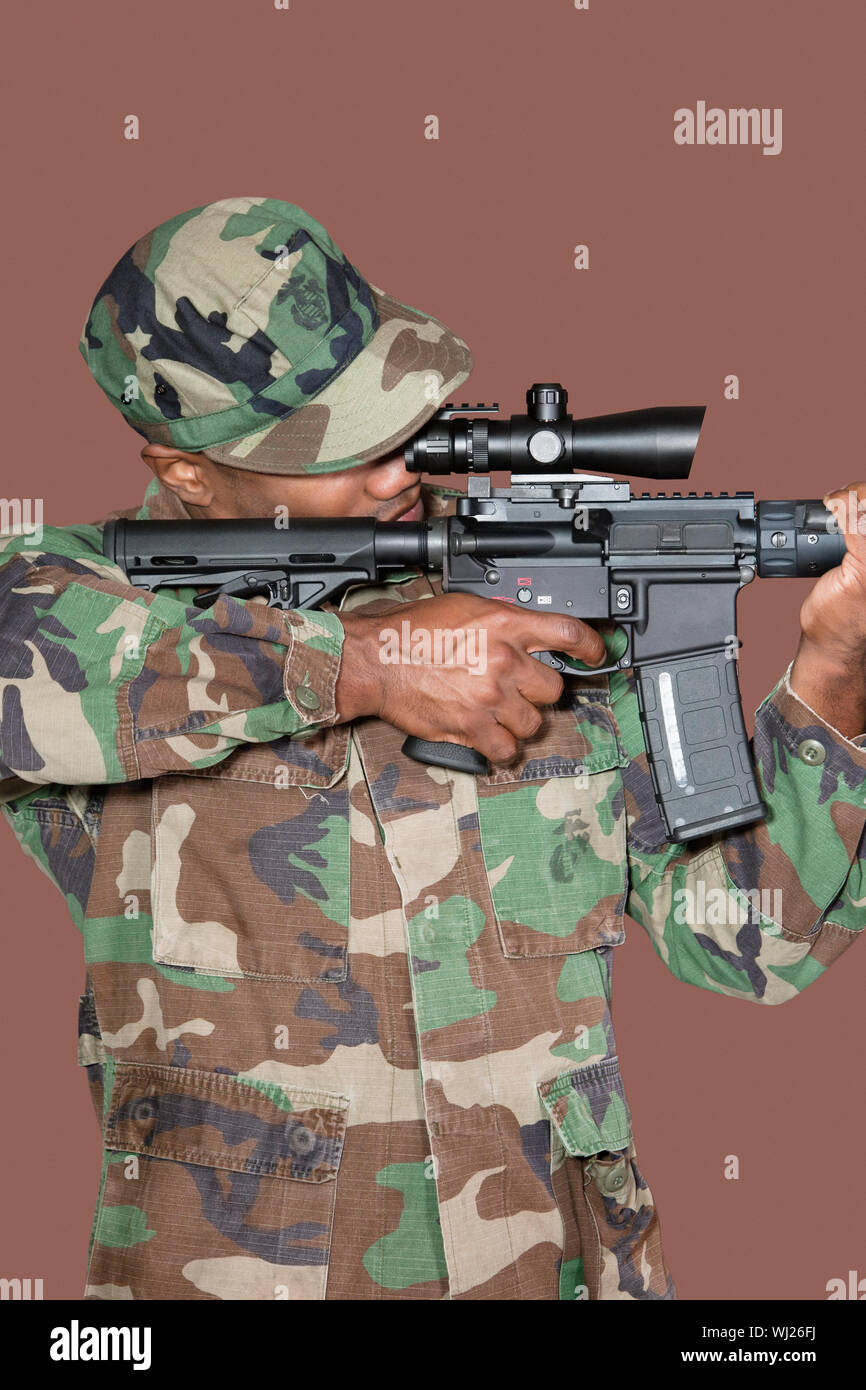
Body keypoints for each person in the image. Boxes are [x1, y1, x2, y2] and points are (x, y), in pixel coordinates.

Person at [0, 195, 864, 1302]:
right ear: (185, 472)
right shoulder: (93, 606)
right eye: (331, 443)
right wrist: (369, 664)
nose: (388, 463)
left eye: (392, 415)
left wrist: (832, 683)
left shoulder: (539, 597)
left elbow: (750, 944)